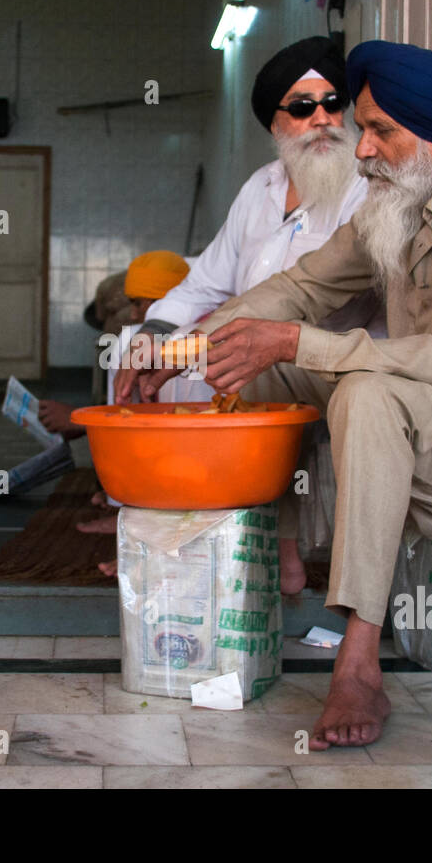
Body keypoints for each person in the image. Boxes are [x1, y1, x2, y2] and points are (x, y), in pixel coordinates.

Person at [120, 40, 432, 751]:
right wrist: (188, 350)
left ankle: (358, 662)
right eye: (365, 128)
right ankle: (255, 564)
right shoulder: (396, 200)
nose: (362, 147)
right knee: (247, 364)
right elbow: (301, 286)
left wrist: (291, 342)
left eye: (379, 130)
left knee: (368, 394)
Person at [117, 36, 370, 595]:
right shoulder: (260, 187)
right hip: (243, 340)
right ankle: (168, 529)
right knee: (143, 344)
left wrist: (216, 343)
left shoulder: (364, 187)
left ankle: (277, 553)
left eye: (333, 103)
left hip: (330, 355)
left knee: (237, 363)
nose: (323, 119)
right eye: (303, 108)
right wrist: (152, 336)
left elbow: (315, 293)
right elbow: (205, 280)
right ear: (275, 122)